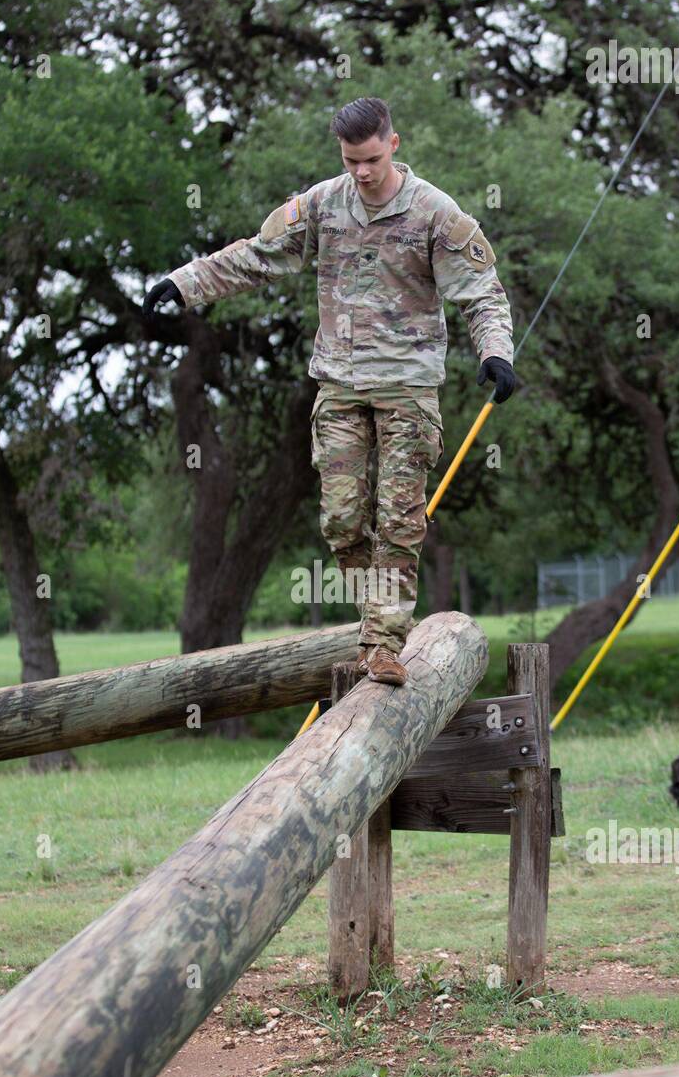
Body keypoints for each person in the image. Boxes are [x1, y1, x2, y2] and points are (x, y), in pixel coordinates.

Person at [144, 96, 515, 685]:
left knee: (399, 517)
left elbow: (483, 292)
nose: (362, 173)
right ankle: (379, 625)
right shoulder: (322, 205)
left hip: (408, 387)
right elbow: (257, 257)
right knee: (343, 519)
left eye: (370, 159)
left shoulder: (435, 213)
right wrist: (184, 283)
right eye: (350, 161)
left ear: (393, 144)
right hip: (339, 383)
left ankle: (382, 642)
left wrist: (496, 352)